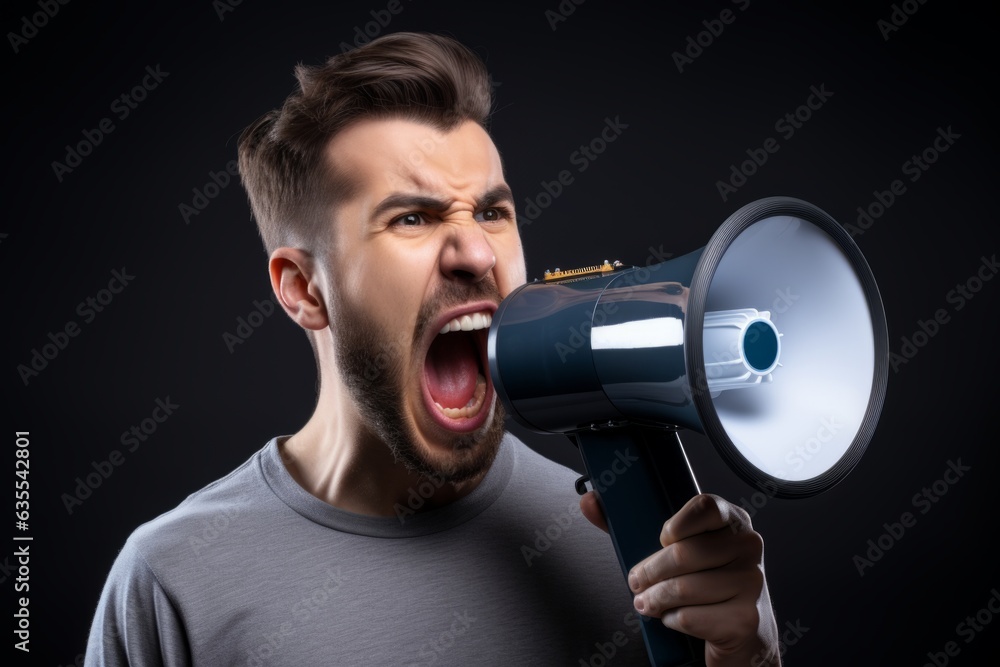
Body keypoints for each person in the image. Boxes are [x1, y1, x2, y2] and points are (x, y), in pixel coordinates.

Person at [85, 32, 781, 666]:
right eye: (412, 217)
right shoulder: (171, 581)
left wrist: (747, 657)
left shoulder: (641, 558)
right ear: (303, 288)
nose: (476, 251)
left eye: (491, 211)